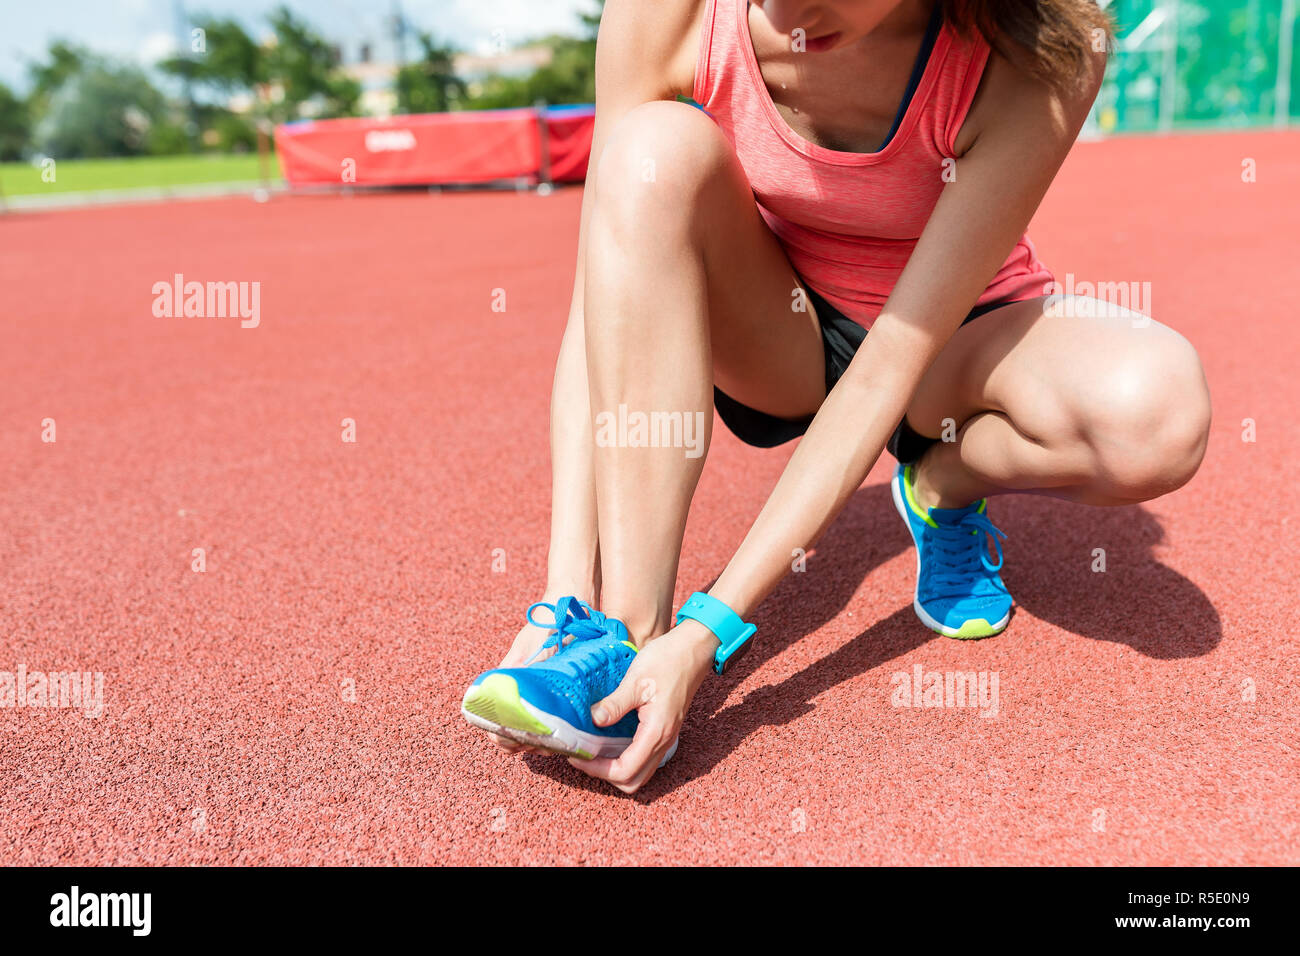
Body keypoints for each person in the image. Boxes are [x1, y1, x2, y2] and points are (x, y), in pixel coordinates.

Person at [461, 0, 1211, 793]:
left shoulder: (1043, 44)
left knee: (1158, 415)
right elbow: (599, 306)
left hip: (947, 338)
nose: (789, 14)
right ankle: (619, 640)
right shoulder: (666, 12)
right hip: (780, 332)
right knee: (647, 152)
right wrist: (564, 591)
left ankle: (939, 485)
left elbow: (892, 359)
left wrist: (707, 632)